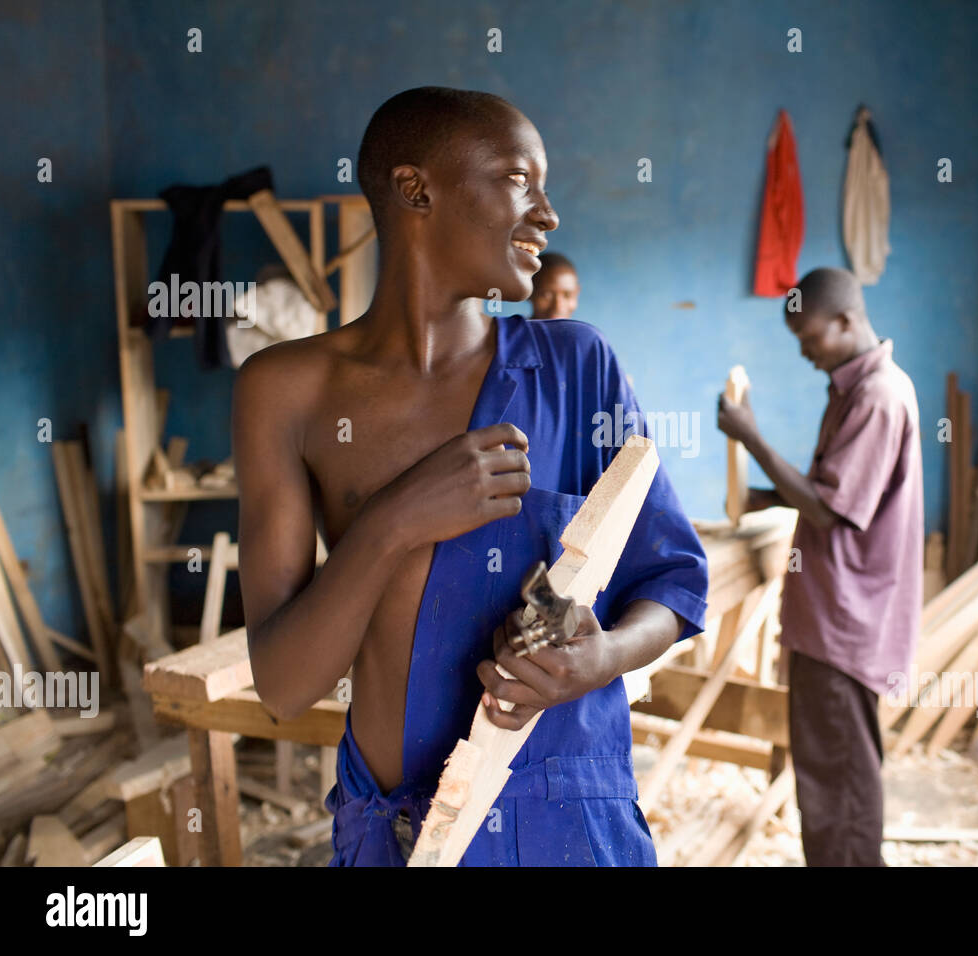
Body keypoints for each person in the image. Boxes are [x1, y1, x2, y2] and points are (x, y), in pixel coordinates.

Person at [232, 87, 707, 867]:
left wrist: (603, 658)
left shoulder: (575, 368)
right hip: (394, 835)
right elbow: (284, 687)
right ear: (416, 189)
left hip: (563, 821)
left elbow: (674, 582)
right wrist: (393, 523)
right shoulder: (287, 391)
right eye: (520, 179)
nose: (548, 214)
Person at [717, 267, 923, 867]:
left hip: (845, 626)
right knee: (833, 782)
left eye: (811, 339)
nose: (806, 355)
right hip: (833, 621)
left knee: (839, 797)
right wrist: (763, 494)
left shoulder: (879, 396)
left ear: (846, 320)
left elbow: (831, 511)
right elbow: (836, 490)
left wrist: (751, 436)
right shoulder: (852, 388)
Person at [529, 251, 580, 319]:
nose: (558, 306)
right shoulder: (515, 329)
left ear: (577, 292)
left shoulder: (583, 329)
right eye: (546, 295)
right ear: (528, 292)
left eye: (567, 295)